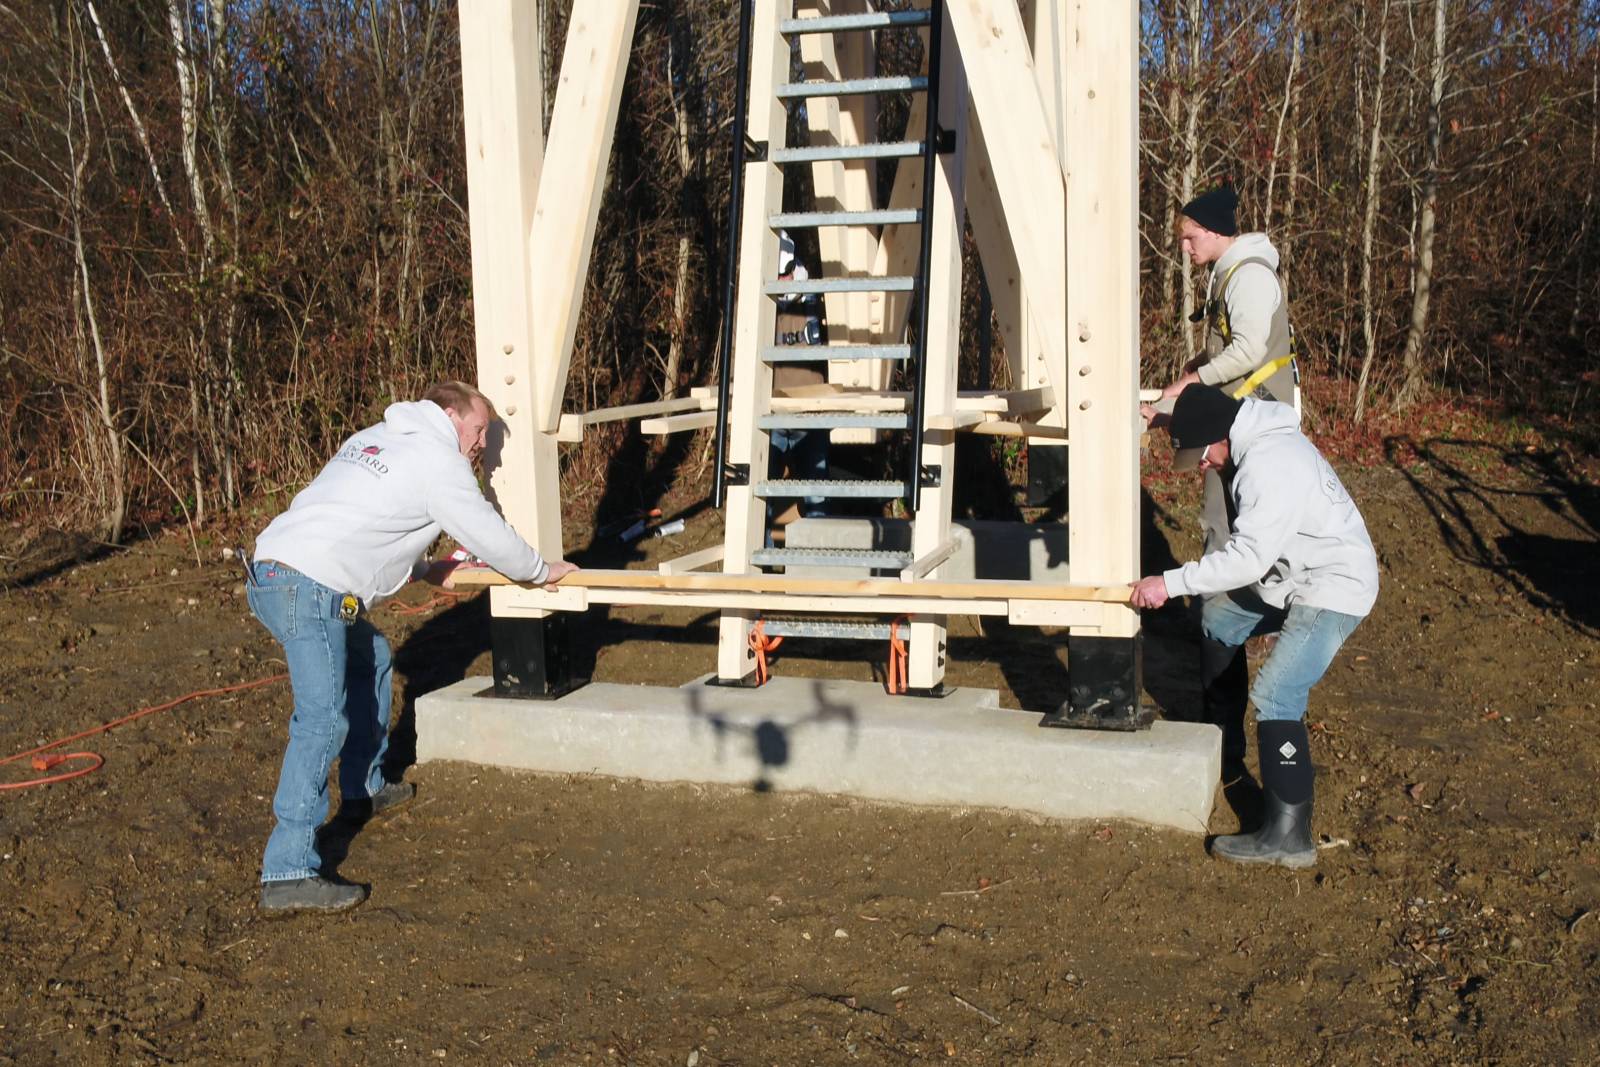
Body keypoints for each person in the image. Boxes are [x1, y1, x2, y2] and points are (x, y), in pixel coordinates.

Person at [247, 381, 577, 914]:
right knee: (320, 721)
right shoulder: (436, 457)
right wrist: (539, 572)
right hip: (312, 591)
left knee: (371, 658)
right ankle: (287, 871)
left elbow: (360, 517)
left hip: (277, 571)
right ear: (450, 415)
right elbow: (487, 532)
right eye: (478, 431)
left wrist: (424, 567)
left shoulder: (377, 438)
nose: (479, 445)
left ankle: (362, 788)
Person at [1130, 385, 1378, 869]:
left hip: (1333, 586)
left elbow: (1247, 559)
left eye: (1200, 456)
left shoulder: (1268, 466)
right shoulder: (1250, 432)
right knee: (1220, 619)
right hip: (1295, 576)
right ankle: (1225, 746)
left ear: (1220, 438)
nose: (1200, 466)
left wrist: (1170, 582)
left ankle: (1289, 835)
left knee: (1277, 693)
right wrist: (1166, 420)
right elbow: (1213, 412)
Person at [1148, 185, 1298, 558]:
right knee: (1222, 514)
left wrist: (1193, 381)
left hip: (1259, 419)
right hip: (1236, 416)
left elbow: (1248, 350)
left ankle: (1223, 608)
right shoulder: (1227, 273)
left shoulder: (1249, 277)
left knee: (1236, 522)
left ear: (1214, 231)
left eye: (1190, 238)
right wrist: (1196, 367)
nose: (1186, 248)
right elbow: (1228, 343)